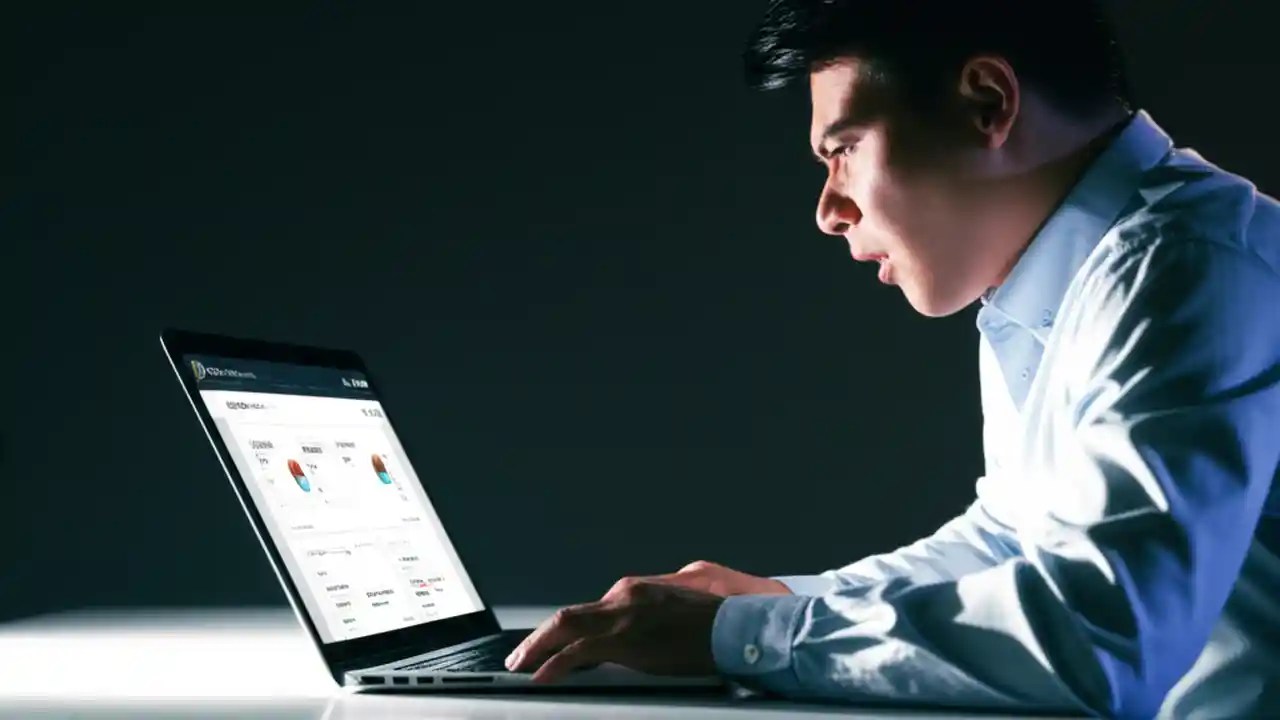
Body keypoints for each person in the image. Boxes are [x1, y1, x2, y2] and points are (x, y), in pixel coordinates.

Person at [505, 1, 1280, 716]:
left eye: (842, 149)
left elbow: (1101, 636)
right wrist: (771, 603)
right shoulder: (1060, 276)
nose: (828, 211)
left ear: (987, 102)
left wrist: (738, 635)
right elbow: (1010, 540)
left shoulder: (1185, 263)